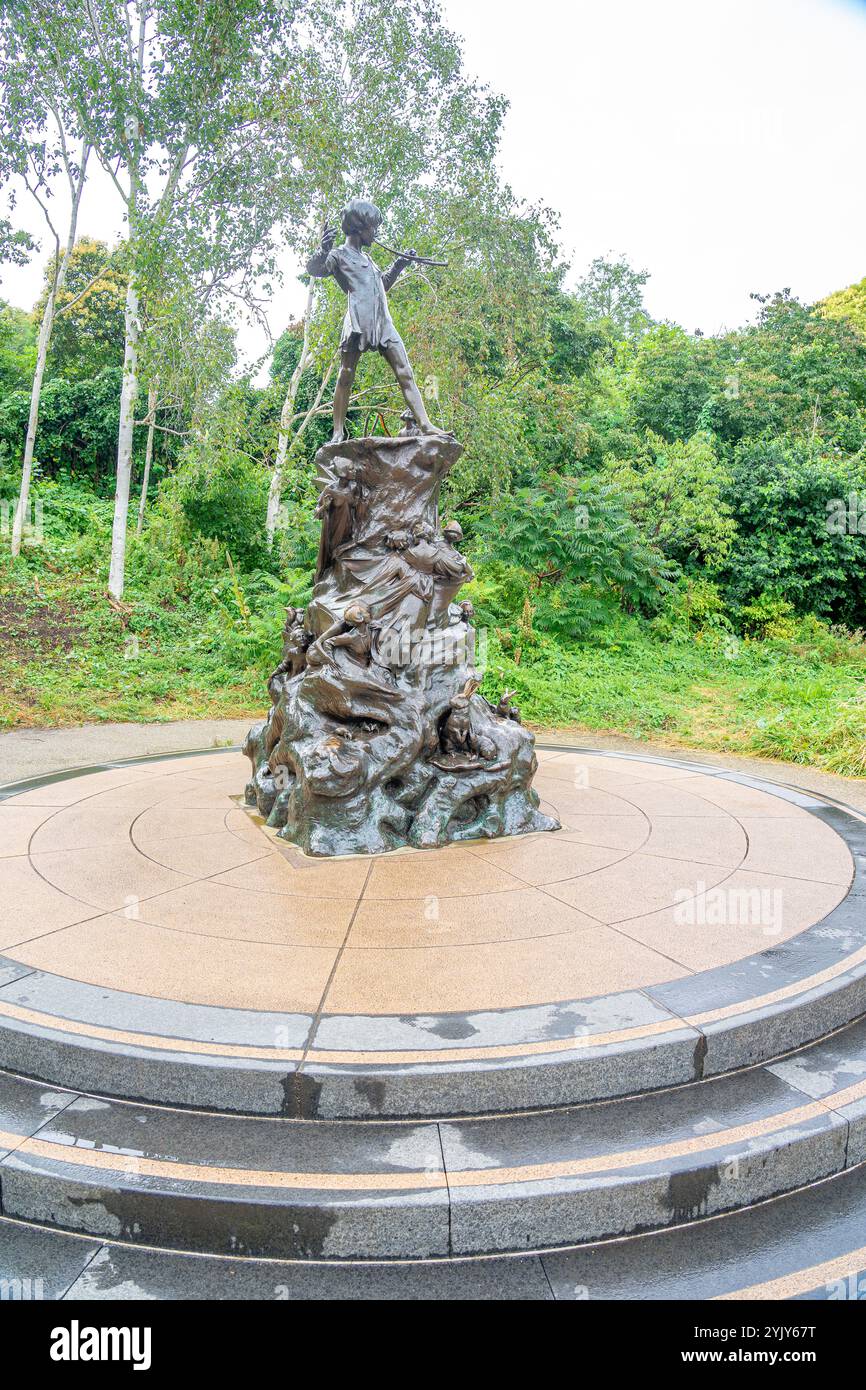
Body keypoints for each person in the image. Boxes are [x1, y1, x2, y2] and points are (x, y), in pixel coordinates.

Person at [307, 198, 439, 443]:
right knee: (346, 374)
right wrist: (322, 250)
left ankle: (426, 424)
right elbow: (316, 269)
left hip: (382, 322)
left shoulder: (369, 260)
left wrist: (399, 264)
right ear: (359, 227)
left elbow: (382, 286)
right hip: (359, 321)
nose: (376, 233)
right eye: (373, 227)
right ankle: (337, 432)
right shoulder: (338, 255)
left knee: (405, 371)